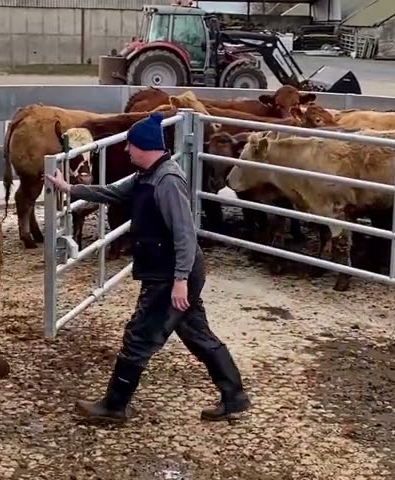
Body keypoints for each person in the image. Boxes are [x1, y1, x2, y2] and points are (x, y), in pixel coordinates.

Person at [45, 111, 251, 423]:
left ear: (145, 147)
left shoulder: (166, 181)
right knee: (196, 332)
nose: (126, 150)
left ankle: (114, 407)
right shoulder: (148, 175)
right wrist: (72, 190)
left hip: (169, 274)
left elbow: (184, 232)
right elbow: (114, 192)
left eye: (131, 145)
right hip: (172, 269)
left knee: (140, 336)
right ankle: (234, 396)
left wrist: (180, 279)